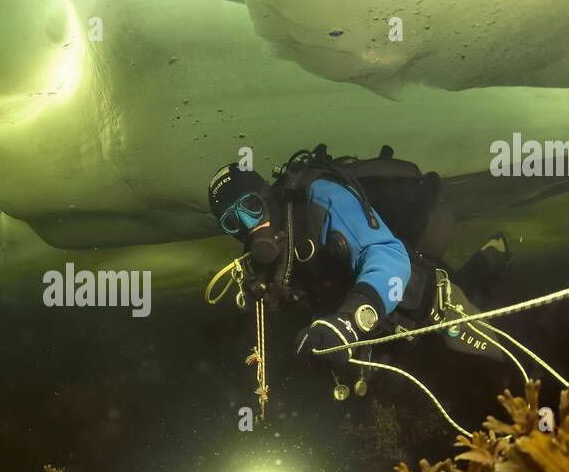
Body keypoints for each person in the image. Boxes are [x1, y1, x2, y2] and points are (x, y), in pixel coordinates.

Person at [208, 144, 513, 378]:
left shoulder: (322, 197)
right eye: (232, 222)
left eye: (251, 207)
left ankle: (492, 256)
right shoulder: (265, 261)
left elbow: (388, 257)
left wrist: (350, 322)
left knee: (506, 370)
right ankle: (489, 258)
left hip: (426, 306)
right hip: (382, 334)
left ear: (266, 196)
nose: (249, 225)